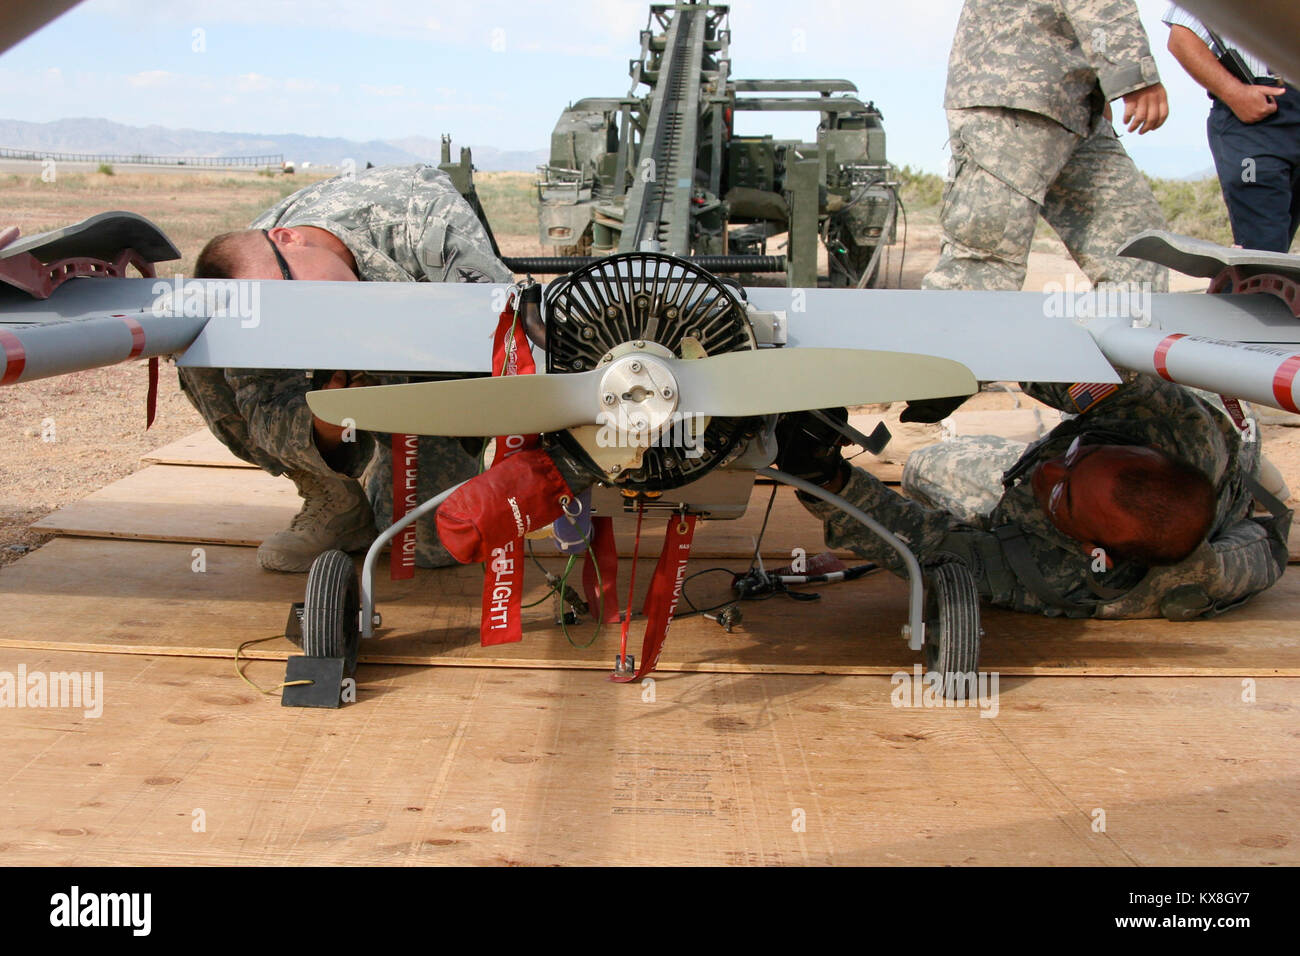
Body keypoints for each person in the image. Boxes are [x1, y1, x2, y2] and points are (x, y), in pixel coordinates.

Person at [180, 164, 513, 572]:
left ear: (289, 239)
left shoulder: (421, 219)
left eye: (294, 299)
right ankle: (333, 497)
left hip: (431, 371)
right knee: (202, 344)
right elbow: (259, 402)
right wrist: (326, 430)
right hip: (351, 380)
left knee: (428, 548)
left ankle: (399, 472)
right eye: (281, 318)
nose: (300, 321)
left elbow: (505, 337)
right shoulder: (251, 278)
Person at [777, 375, 1291, 620]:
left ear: (1096, 550)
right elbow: (1079, 368)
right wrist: (972, 366)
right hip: (1223, 433)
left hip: (1245, 491)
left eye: (1062, 497)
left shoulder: (1065, 575)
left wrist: (824, 478)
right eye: (1080, 455)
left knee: (923, 468)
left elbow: (931, 548)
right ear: (1145, 452)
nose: (1047, 471)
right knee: (936, 464)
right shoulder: (1170, 420)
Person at [924, 0, 1171, 294]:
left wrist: (1099, 92)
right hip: (1014, 100)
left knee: (1138, 247)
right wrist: (1133, 75)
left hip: (1074, 107)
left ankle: (1117, 335)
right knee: (980, 270)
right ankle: (954, 338)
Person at [1163, 5, 1299, 253]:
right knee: (1263, 250)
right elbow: (1182, 39)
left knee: (1273, 261)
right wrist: (1234, 93)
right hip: (1258, 116)